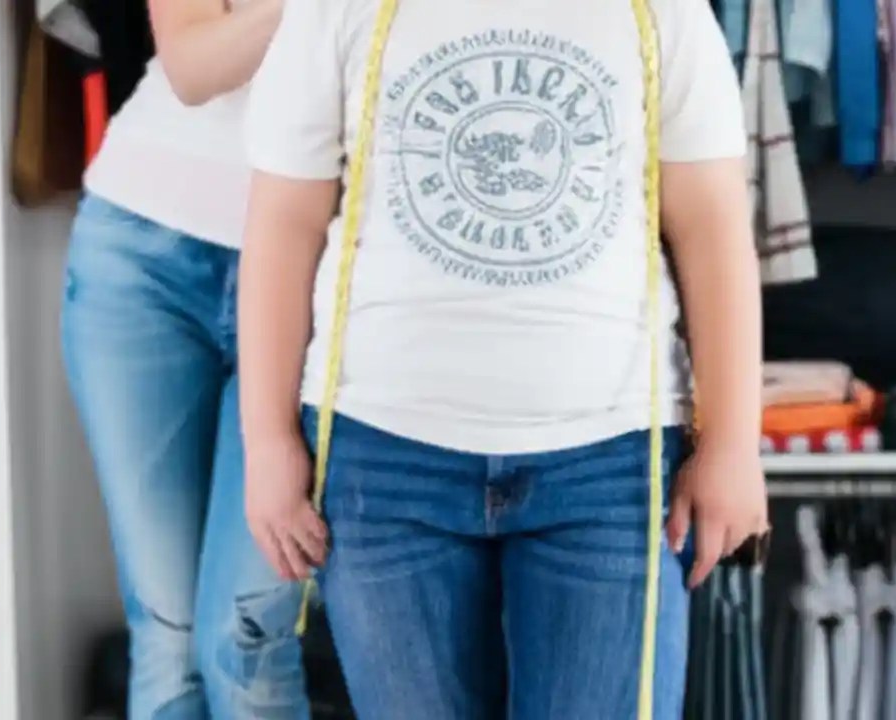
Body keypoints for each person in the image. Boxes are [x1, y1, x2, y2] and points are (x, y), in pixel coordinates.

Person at [240, 0, 769, 717]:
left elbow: (711, 221)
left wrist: (735, 444)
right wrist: (267, 441)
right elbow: (283, 220)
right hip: (382, 458)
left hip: (611, 466)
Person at [59, 1, 310, 718]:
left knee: (246, 639)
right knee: (166, 638)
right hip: (142, 259)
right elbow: (194, 67)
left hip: (313, 284)